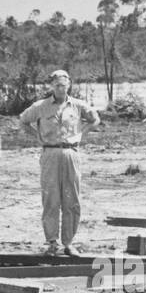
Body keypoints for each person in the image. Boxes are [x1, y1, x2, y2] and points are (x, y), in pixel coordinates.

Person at [18, 69, 100, 256]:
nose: (60, 88)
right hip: (50, 153)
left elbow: (95, 119)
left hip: (71, 152)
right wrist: (38, 137)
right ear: (51, 86)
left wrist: (82, 133)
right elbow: (23, 122)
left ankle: (69, 242)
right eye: (56, 84)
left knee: (71, 199)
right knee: (51, 198)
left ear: (69, 84)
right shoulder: (41, 106)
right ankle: (51, 242)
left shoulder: (78, 106)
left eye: (63, 84)